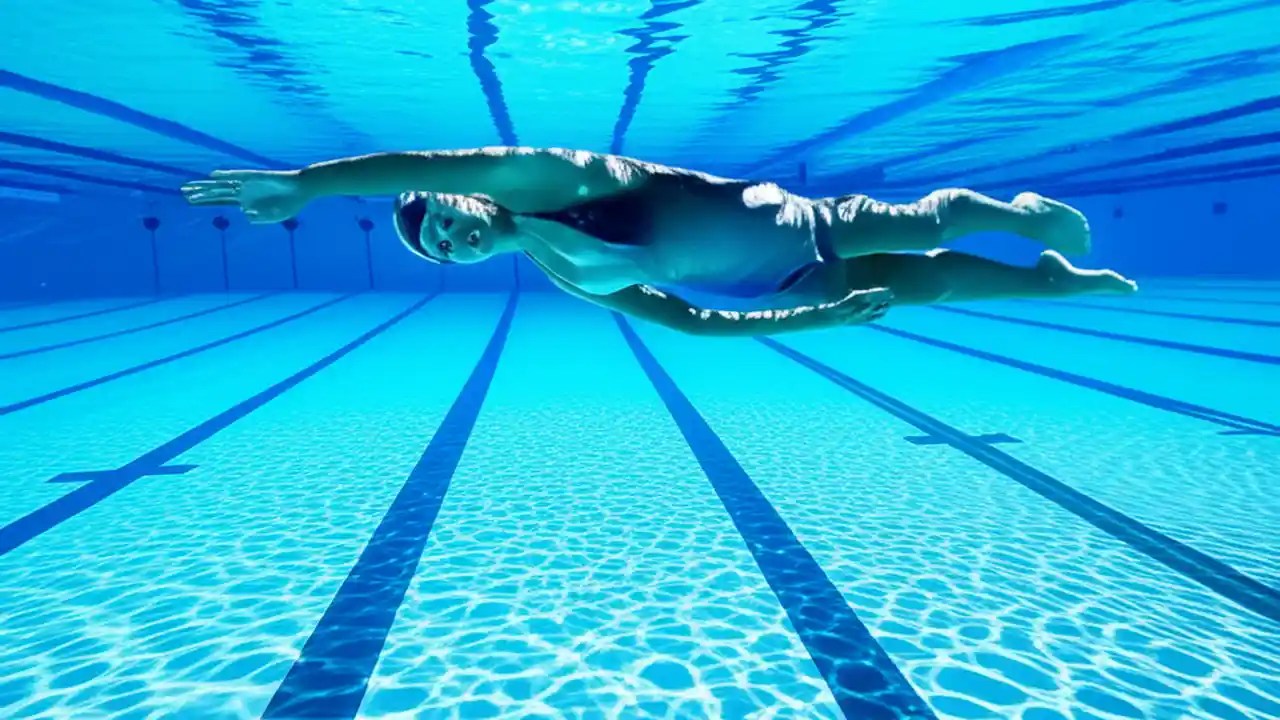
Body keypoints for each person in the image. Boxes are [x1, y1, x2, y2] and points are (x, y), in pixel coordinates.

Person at [181, 147, 1137, 336]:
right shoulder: (567, 275)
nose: (449, 235)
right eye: (436, 247)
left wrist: (309, 184)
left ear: (460, 194)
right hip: (790, 281)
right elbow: (686, 321)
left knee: (928, 222)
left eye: (437, 213)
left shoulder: (545, 180)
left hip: (806, 223)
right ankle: (1053, 283)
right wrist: (814, 317)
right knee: (925, 285)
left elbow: (414, 161)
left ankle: (1018, 215)